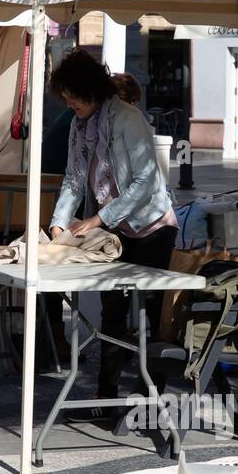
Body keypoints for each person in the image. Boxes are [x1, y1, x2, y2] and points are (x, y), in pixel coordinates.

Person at [47, 49, 176, 411]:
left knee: (148, 313)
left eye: (72, 95)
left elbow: (146, 183)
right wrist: (59, 223)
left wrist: (98, 220)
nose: (68, 103)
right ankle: (107, 393)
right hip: (113, 228)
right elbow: (73, 178)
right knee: (111, 309)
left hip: (151, 227)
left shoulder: (127, 119)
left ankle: (150, 393)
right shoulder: (79, 124)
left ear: (89, 90)